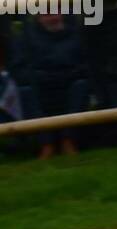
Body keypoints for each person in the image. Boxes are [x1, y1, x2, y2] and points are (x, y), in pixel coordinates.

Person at [9, 13, 91, 158]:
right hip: (40, 88)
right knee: (25, 91)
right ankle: (46, 144)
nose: (52, 18)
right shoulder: (25, 39)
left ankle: (68, 140)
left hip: (70, 84)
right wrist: (42, 78)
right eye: (46, 15)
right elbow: (19, 71)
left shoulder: (77, 35)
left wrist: (67, 75)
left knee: (82, 85)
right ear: (38, 18)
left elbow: (87, 65)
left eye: (55, 13)